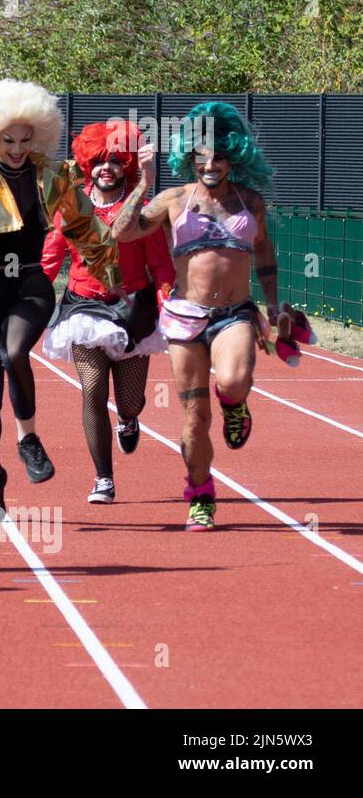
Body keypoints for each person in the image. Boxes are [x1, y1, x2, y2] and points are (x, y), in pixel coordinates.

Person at [0, 79, 121, 523]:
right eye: (8, 140)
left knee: (14, 351)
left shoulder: (51, 177)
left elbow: (86, 229)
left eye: (25, 139)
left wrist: (114, 277)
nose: (17, 148)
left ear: (39, 135)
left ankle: (29, 438)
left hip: (31, 283)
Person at [110, 101, 285, 531]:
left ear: (232, 157)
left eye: (219, 155)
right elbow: (121, 231)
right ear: (189, 157)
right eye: (201, 155)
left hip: (235, 314)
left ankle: (235, 405)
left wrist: (276, 305)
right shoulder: (173, 199)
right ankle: (201, 495)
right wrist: (143, 184)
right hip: (185, 316)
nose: (209, 163)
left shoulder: (251, 203)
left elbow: (263, 252)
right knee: (193, 418)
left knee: (234, 381)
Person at [41, 120, 175, 504]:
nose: (107, 168)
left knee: (129, 400)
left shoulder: (143, 212)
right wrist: (26, 299)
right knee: (93, 389)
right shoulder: (71, 208)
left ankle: (129, 418)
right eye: (100, 161)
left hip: (133, 309)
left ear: (128, 166)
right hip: (83, 307)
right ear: (87, 164)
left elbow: (161, 267)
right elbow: (49, 261)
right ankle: (103, 478)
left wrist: (170, 307)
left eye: (116, 161)